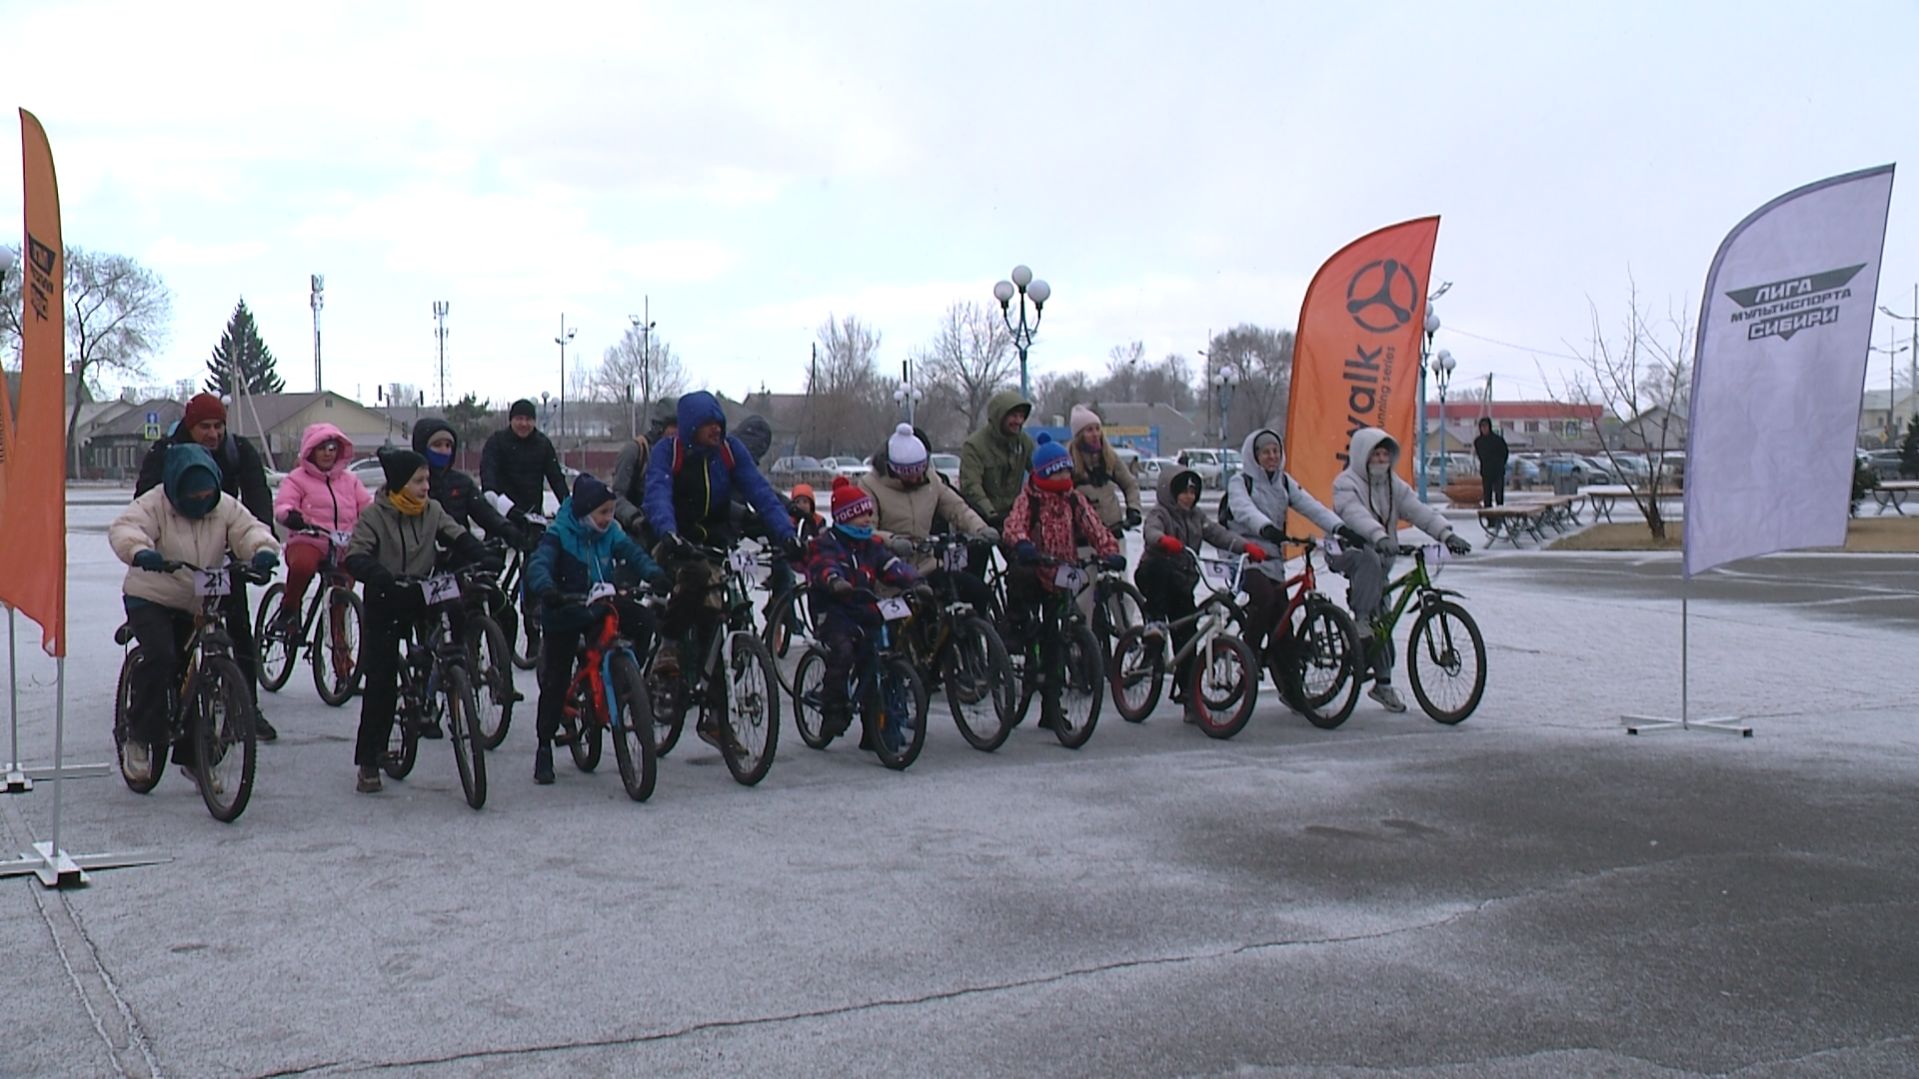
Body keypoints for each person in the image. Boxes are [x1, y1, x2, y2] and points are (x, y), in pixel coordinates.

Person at [110, 444, 280, 782]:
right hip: (152, 596)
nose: (200, 501)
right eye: (193, 495)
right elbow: (126, 528)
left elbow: (250, 530)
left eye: (206, 494)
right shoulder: (155, 503)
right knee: (161, 657)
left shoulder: (225, 505)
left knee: (201, 669)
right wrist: (140, 551)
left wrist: (262, 549)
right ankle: (139, 738)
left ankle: (194, 755)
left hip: (199, 598)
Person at [342, 448, 495, 793]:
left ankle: (450, 675)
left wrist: (483, 555)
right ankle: (369, 760)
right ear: (399, 483)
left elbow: (457, 535)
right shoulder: (374, 516)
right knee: (381, 679)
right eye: (419, 481)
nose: (427, 487)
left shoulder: (433, 511)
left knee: (455, 608)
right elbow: (356, 556)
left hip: (422, 591)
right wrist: (378, 575)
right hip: (388, 596)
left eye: (427, 480)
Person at [134, 393, 279, 740]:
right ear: (189, 425)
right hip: (177, 557)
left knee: (240, 630)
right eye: (205, 427)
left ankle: (246, 706)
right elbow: (143, 503)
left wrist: (259, 548)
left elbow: (257, 502)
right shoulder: (166, 453)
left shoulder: (238, 451)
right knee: (174, 638)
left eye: (218, 426)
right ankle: (167, 701)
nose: (213, 434)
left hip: (221, 552)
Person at [641, 391, 798, 708]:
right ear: (690, 427)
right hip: (674, 541)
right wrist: (669, 533)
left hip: (715, 543)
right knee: (696, 578)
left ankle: (714, 714)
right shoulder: (666, 453)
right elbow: (657, 493)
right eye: (707, 424)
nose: (716, 430)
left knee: (716, 611)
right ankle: (668, 645)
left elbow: (760, 492)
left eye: (718, 423)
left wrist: (786, 533)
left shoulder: (729, 451)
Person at [525, 474, 670, 785]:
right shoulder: (560, 533)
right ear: (585, 513)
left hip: (600, 603)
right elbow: (539, 563)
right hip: (564, 608)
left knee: (644, 622)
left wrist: (654, 574)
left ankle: (624, 682)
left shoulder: (611, 532)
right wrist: (547, 588)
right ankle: (544, 747)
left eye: (611, 512)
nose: (608, 519)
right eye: (602, 513)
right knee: (556, 680)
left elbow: (633, 554)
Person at [1331, 427, 1473, 713]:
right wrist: (1379, 536)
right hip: (1350, 552)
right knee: (1369, 562)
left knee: (1384, 620)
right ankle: (1359, 619)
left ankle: (1382, 685)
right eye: (1376, 453)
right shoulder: (1346, 483)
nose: (1381, 459)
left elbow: (1418, 510)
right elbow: (1353, 514)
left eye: (1385, 454)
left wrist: (1446, 535)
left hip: (1382, 559)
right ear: (1363, 455)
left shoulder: (1393, 485)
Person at [1001, 434, 1122, 728]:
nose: (1065, 477)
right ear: (1043, 473)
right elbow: (1013, 525)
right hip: (1035, 568)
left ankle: (1052, 708)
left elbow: (1093, 525)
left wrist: (1109, 550)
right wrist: (1022, 544)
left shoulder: (1072, 497)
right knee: (1034, 628)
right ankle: (1018, 632)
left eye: (1068, 471)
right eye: (1058, 472)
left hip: (1062, 571)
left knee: (1058, 639)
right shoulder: (1029, 497)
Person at [801, 477, 925, 749]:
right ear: (845, 517)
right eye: (861, 515)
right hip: (833, 609)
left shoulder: (871, 545)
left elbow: (890, 566)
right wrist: (835, 582)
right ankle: (832, 709)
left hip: (863, 606)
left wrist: (914, 581)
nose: (868, 520)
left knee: (876, 656)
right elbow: (824, 566)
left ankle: (874, 730)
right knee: (843, 651)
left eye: (869, 514)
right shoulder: (827, 543)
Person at [1138, 467, 1268, 721]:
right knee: (1159, 569)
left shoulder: (1198, 518)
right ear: (1170, 492)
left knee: (1187, 636)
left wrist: (1246, 547)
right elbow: (1151, 530)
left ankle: (1188, 696)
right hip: (1155, 576)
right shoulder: (1160, 513)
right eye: (1183, 492)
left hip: (1182, 583)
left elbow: (1219, 535)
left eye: (1192, 492)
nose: (1188, 497)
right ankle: (1154, 621)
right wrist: (1163, 541)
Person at [1224, 428, 1353, 659]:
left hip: (1272, 557)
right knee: (1264, 597)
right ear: (1254, 456)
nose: (1272, 456)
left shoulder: (1284, 482)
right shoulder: (1240, 482)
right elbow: (1243, 509)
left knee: (1282, 621)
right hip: (1244, 555)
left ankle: (1290, 685)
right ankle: (1248, 653)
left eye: (1275, 451)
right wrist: (1266, 528)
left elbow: (1311, 506)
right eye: (1265, 452)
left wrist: (1340, 527)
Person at [862, 423, 999, 615]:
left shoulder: (931, 479)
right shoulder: (869, 486)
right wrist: (891, 541)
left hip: (927, 564)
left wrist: (980, 529)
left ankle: (973, 637)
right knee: (915, 616)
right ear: (893, 468)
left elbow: (956, 508)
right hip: (890, 571)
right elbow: (865, 529)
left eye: (921, 469)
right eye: (909, 473)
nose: (917, 477)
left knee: (977, 591)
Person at [271, 423, 372, 639]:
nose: (328, 453)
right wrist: (290, 515)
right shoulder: (296, 479)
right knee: (302, 566)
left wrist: (378, 522)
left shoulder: (350, 481)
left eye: (333, 448)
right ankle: (289, 609)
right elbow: (284, 504)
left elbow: (367, 507)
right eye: (322, 448)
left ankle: (341, 654)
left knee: (343, 593)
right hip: (308, 539)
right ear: (310, 451)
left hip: (343, 545)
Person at [480, 399, 569, 520]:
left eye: (528, 419)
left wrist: (568, 505)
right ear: (511, 420)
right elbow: (488, 470)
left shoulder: (543, 444)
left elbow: (556, 478)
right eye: (519, 418)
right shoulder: (497, 441)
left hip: (533, 512)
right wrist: (491, 493)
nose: (524, 423)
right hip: (503, 514)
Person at [1067, 405, 1142, 536]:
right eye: (1089, 430)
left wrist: (1133, 509)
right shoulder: (1069, 460)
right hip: (1083, 534)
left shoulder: (1109, 457)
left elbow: (1130, 484)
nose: (1095, 434)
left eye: (1097, 429)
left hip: (1113, 529)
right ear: (1079, 435)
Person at [610, 409, 677, 537]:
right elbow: (616, 495)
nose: (678, 432)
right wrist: (635, 517)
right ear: (660, 427)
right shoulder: (636, 450)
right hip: (638, 531)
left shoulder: (678, 454)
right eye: (674, 426)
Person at [1474, 418, 1509, 508]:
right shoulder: (1478, 442)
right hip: (1486, 471)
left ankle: (1499, 514)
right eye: (1482, 427)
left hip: (1498, 471)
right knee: (1487, 495)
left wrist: (1500, 464)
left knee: (1499, 495)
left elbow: (1505, 453)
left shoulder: (1498, 440)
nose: (1484, 429)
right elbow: (1480, 455)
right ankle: (1489, 517)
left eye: (1485, 426)